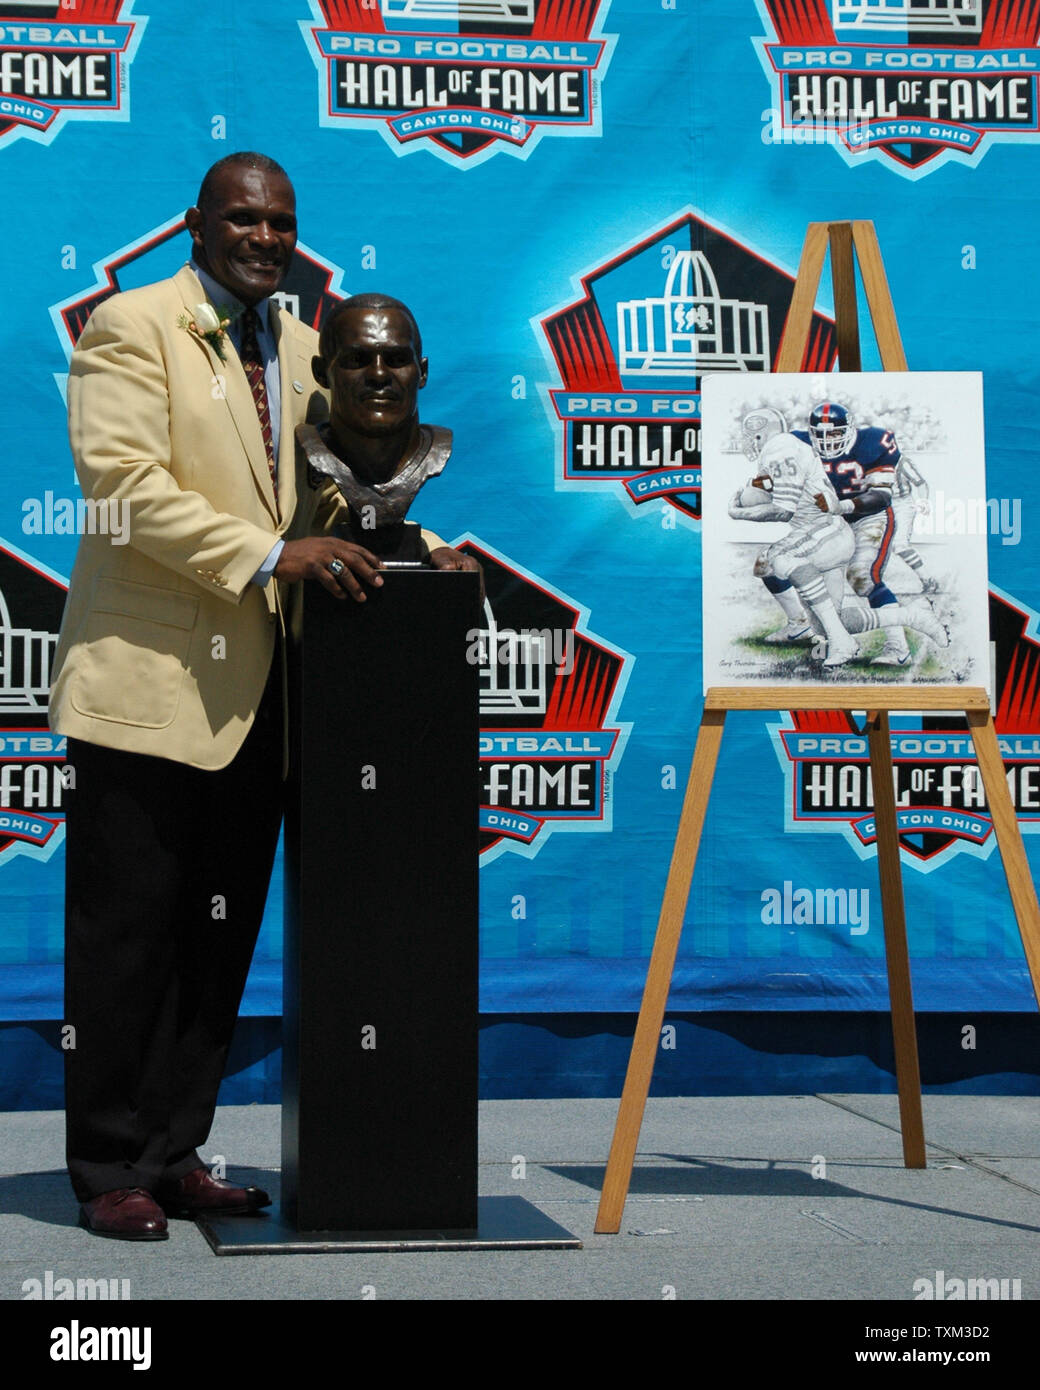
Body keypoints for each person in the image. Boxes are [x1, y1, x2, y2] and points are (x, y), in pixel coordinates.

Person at [49, 153, 473, 1240]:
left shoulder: (297, 344)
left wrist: (422, 557)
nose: (264, 236)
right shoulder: (129, 328)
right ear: (194, 223)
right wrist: (266, 553)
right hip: (147, 692)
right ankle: (107, 1170)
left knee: (213, 940)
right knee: (127, 941)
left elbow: (334, 492)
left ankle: (173, 1149)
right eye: (243, 218)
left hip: (271, 699)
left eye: (281, 222)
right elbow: (122, 489)